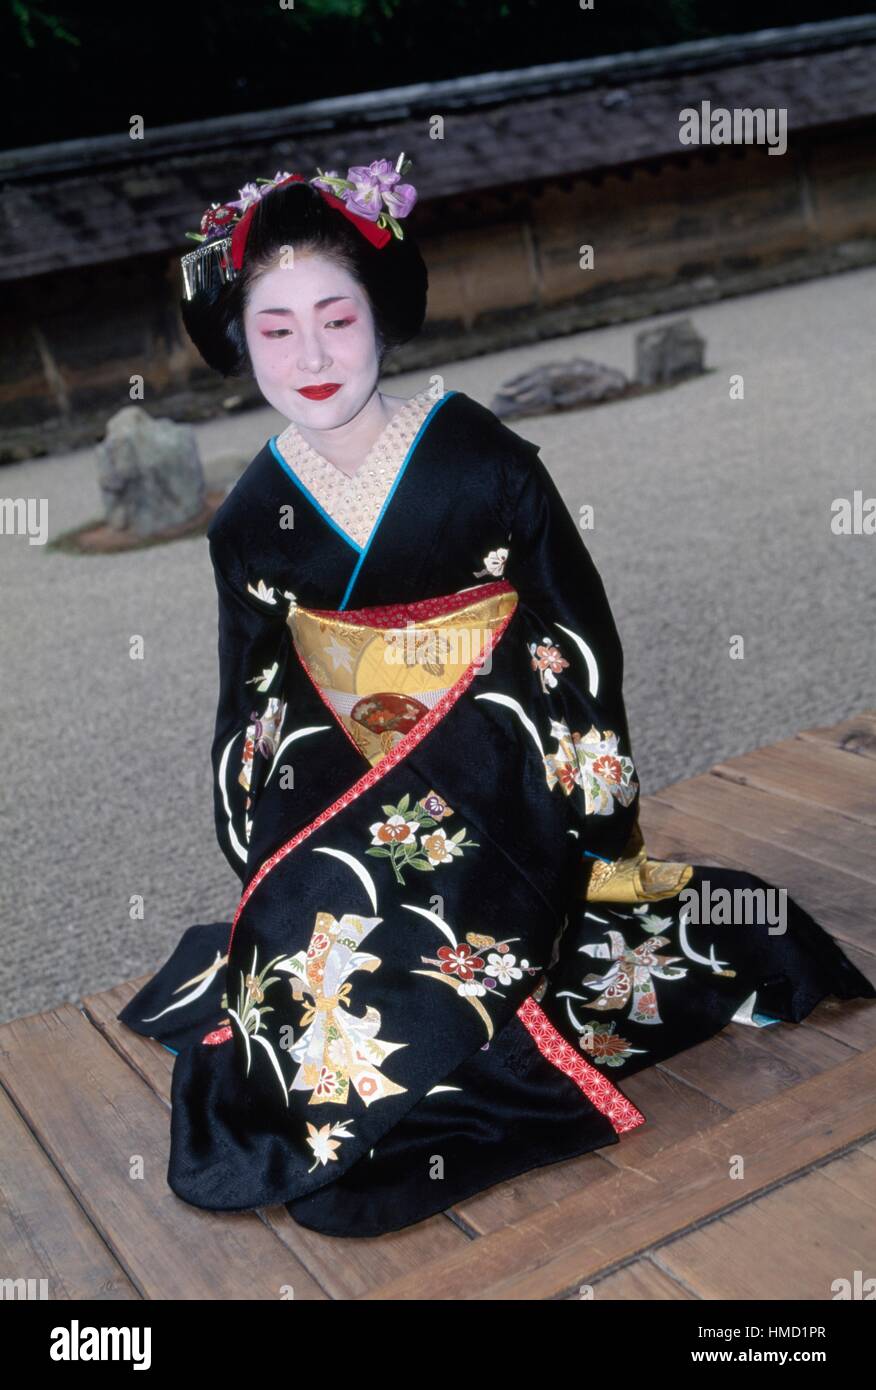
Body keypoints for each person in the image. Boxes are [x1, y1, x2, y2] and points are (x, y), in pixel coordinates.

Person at [118, 156, 876, 1237]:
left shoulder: (481, 456)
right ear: (241, 343)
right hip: (346, 789)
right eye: (277, 330)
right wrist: (266, 829)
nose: (315, 354)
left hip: (504, 769)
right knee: (306, 978)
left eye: (338, 316)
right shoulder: (249, 517)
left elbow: (572, 632)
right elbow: (251, 692)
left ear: (383, 312)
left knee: (482, 970)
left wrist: (589, 808)